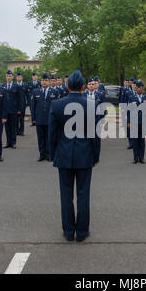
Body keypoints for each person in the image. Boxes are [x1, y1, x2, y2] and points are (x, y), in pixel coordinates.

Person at [49, 70, 101, 242]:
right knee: (83, 194)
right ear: (83, 87)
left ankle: (69, 230)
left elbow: (52, 134)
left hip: (63, 154)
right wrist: (96, 156)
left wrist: (53, 154)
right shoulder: (92, 105)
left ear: (67, 85)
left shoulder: (56, 105)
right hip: (85, 154)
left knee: (66, 195)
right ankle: (82, 231)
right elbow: (95, 134)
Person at [32, 73, 58, 162]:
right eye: (43, 80)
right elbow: (33, 106)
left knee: (49, 138)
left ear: (49, 82)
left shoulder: (54, 92)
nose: (44, 82)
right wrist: (33, 119)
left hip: (50, 119)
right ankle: (42, 154)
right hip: (39, 119)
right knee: (40, 138)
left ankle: (49, 154)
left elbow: (56, 107)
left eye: (46, 80)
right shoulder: (36, 91)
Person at [128, 81, 146, 164]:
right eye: (138, 87)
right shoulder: (131, 98)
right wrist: (129, 122)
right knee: (135, 140)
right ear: (136, 88)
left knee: (142, 140)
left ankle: (141, 157)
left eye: (141, 87)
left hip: (143, 122)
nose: (140, 89)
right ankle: (135, 157)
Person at [3, 70, 22, 149]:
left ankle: (13, 142)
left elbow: (20, 99)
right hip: (5, 111)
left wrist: (19, 109)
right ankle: (8, 142)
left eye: (10, 76)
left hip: (14, 110)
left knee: (13, 127)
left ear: (12, 77)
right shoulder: (2, 86)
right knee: (7, 127)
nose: (8, 77)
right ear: (6, 77)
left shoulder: (16, 86)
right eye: (7, 76)